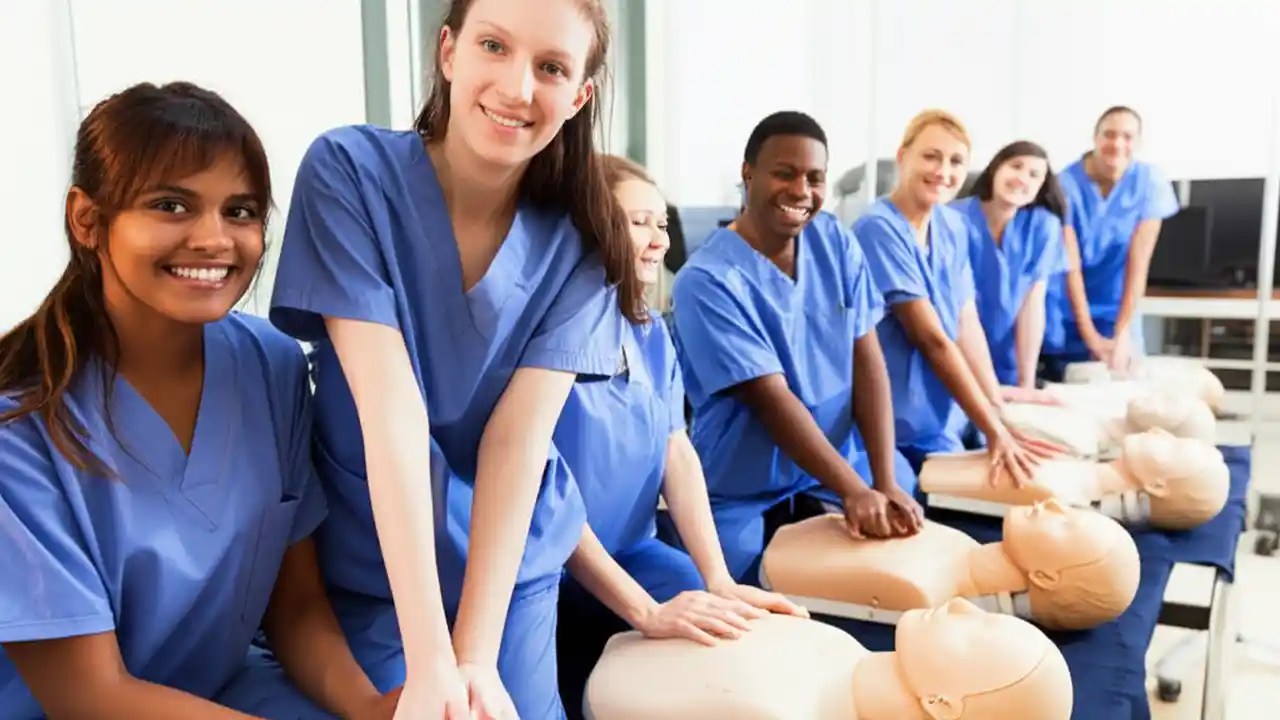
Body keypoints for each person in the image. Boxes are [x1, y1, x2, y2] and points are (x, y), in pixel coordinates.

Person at [266, 0, 639, 717]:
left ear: (579, 95)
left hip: (506, 571)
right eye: (493, 46)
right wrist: (434, 663)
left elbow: (517, 441)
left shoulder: (586, 240)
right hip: (374, 565)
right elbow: (391, 410)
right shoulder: (348, 173)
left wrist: (474, 659)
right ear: (447, 51)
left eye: (551, 67)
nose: (517, 88)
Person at [0, 82, 396, 720]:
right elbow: (90, 696)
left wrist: (371, 710)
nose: (214, 239)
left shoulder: (272, 366)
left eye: (240, 211)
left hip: (226, 690)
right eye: (171, 205)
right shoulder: (18, 428)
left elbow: (295, 607)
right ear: (87, 220)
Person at [551, 155, 807, 717]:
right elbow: (541, 498)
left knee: (725, 636)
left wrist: (720, 579)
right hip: (545, 570)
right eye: (638, 222)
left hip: (634, 551)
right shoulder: (544, 342)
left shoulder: (647, 331)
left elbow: (676, 450)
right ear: (588, 224)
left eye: (662, 224)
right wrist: (644, 612)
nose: (659, 240)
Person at [670, 111, 923, 588]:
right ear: (748, 173)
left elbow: (868, 361)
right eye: (784, 173)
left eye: (814, 178)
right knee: (726, 579)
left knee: (905, 495)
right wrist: (854, 491)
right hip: (743, 484)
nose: (801, 190)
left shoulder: (834, 241)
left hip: (834, 460)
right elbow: (771, 399)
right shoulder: (706, 281)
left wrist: (882, 481)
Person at [851, 109, 1060, 481]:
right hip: (884, 422)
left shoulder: (953, 227)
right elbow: (931, 339)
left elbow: (967, 323)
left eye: (955, 161)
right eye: (931, 156)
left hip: (937, 423)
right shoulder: (878, 229)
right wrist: (994, 429)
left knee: (995, 485)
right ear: (903, 157)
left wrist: (997, 410)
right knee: (908, 499)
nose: (943, 171)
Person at [1041, 106, 1179, 376]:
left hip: (1119, 307)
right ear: (1095, 137)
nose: (1117, 144)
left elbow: (1138, 265)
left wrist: (1122, 333)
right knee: (1071, 381)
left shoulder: (1150, 182)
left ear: (1138, 142)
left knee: (1126, 378)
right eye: (1109, 135)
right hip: (1067, 308)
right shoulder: (1064, 185)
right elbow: (1071, 267)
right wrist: (1090, 336)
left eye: (1127, 137)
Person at [952, 141, 1069, 390]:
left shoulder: (1043, 227)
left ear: (1040, 188)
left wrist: (1026, 384)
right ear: (996, 168)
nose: (1022, 178)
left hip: (1008, 364)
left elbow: (1032, 305)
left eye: (1034, 175)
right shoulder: (953, 220)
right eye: (1016, 166)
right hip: (954, 358)